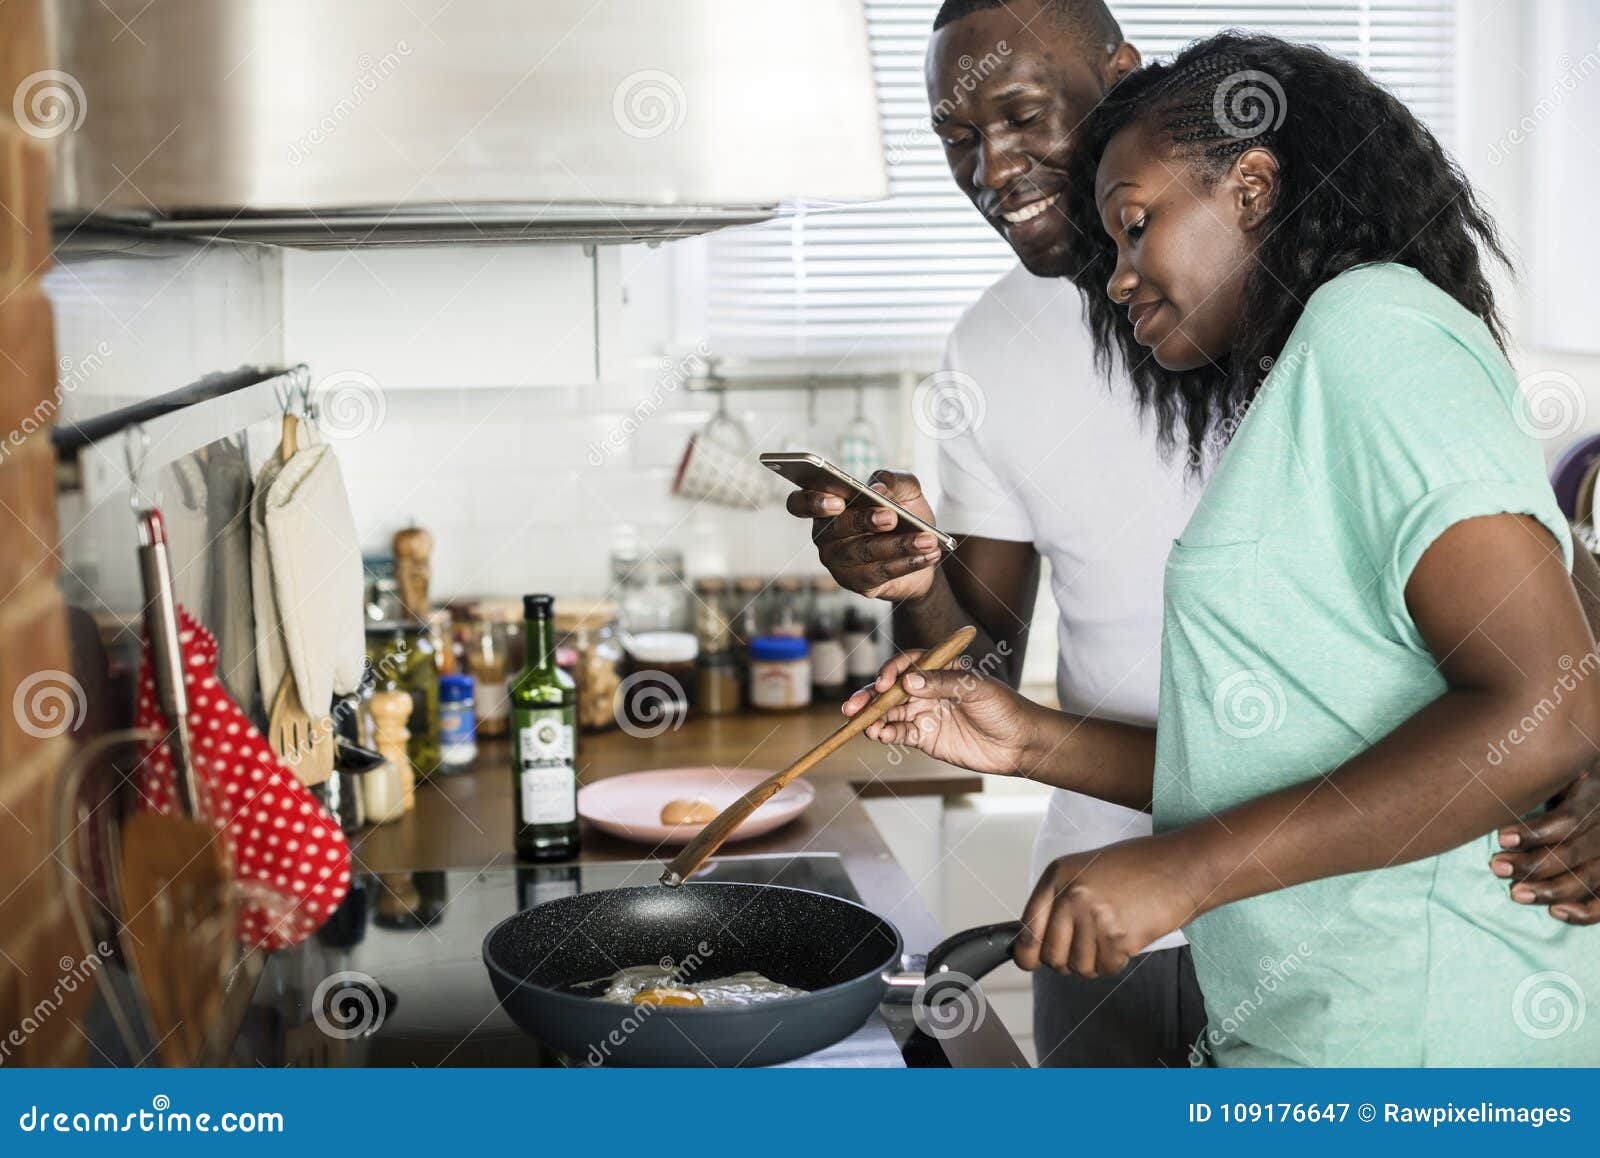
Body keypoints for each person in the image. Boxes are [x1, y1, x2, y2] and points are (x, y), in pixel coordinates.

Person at [785, 0, 1600, 1066]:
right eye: (954, 139)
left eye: (1022, 114)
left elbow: (1542, 664)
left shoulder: (1364, 333)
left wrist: (1577, 731)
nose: (991, 168)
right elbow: (1273, 727)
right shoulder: (1187, 344)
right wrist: (1008, 711)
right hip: (1236, 950)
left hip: (1407, 1006)